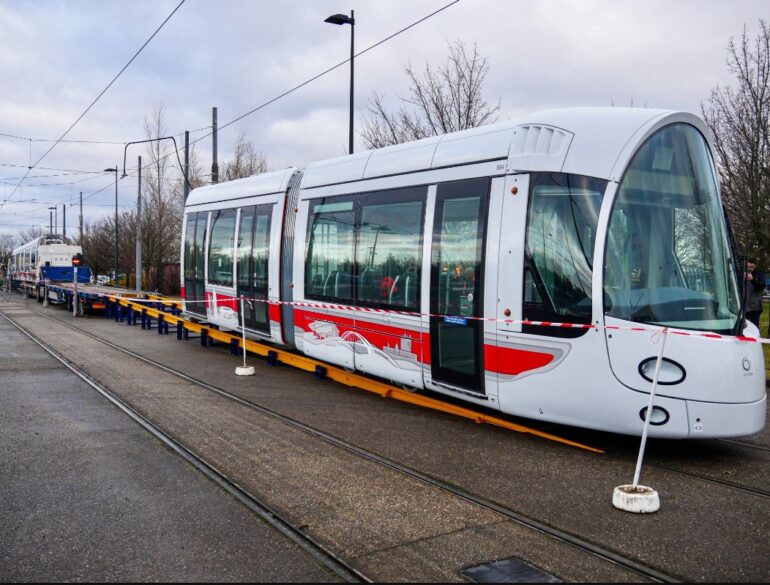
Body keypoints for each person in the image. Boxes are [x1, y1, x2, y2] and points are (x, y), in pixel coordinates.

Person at [743, 258, 765, 329]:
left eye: (752, 267)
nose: (749, 269)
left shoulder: (760, 274)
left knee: (754, 326)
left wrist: (752, 280)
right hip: (743, 306)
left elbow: (761, 286)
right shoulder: (742, 273)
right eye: (748, 267)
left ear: (755, 266)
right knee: (743, 327)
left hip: (755, 307)